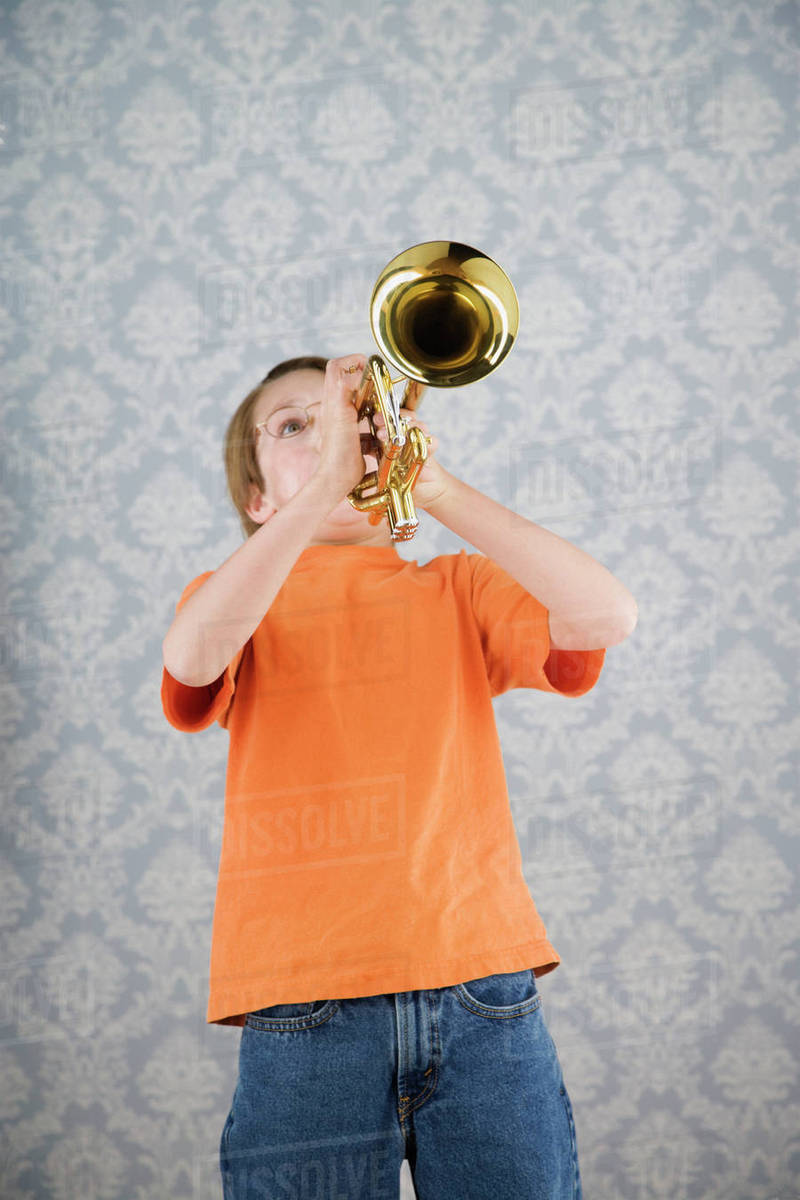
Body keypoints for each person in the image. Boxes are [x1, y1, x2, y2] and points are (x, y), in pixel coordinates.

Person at [161, 352, 637, 1199]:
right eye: (297, 425)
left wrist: (438, 486)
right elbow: (192, 658)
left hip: (480, 988)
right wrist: (323, 490)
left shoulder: (459, 587)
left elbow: (607, 613)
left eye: (355, 419)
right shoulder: (232, 600)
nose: (337, 436)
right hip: (302, 1004)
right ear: (257, 499)